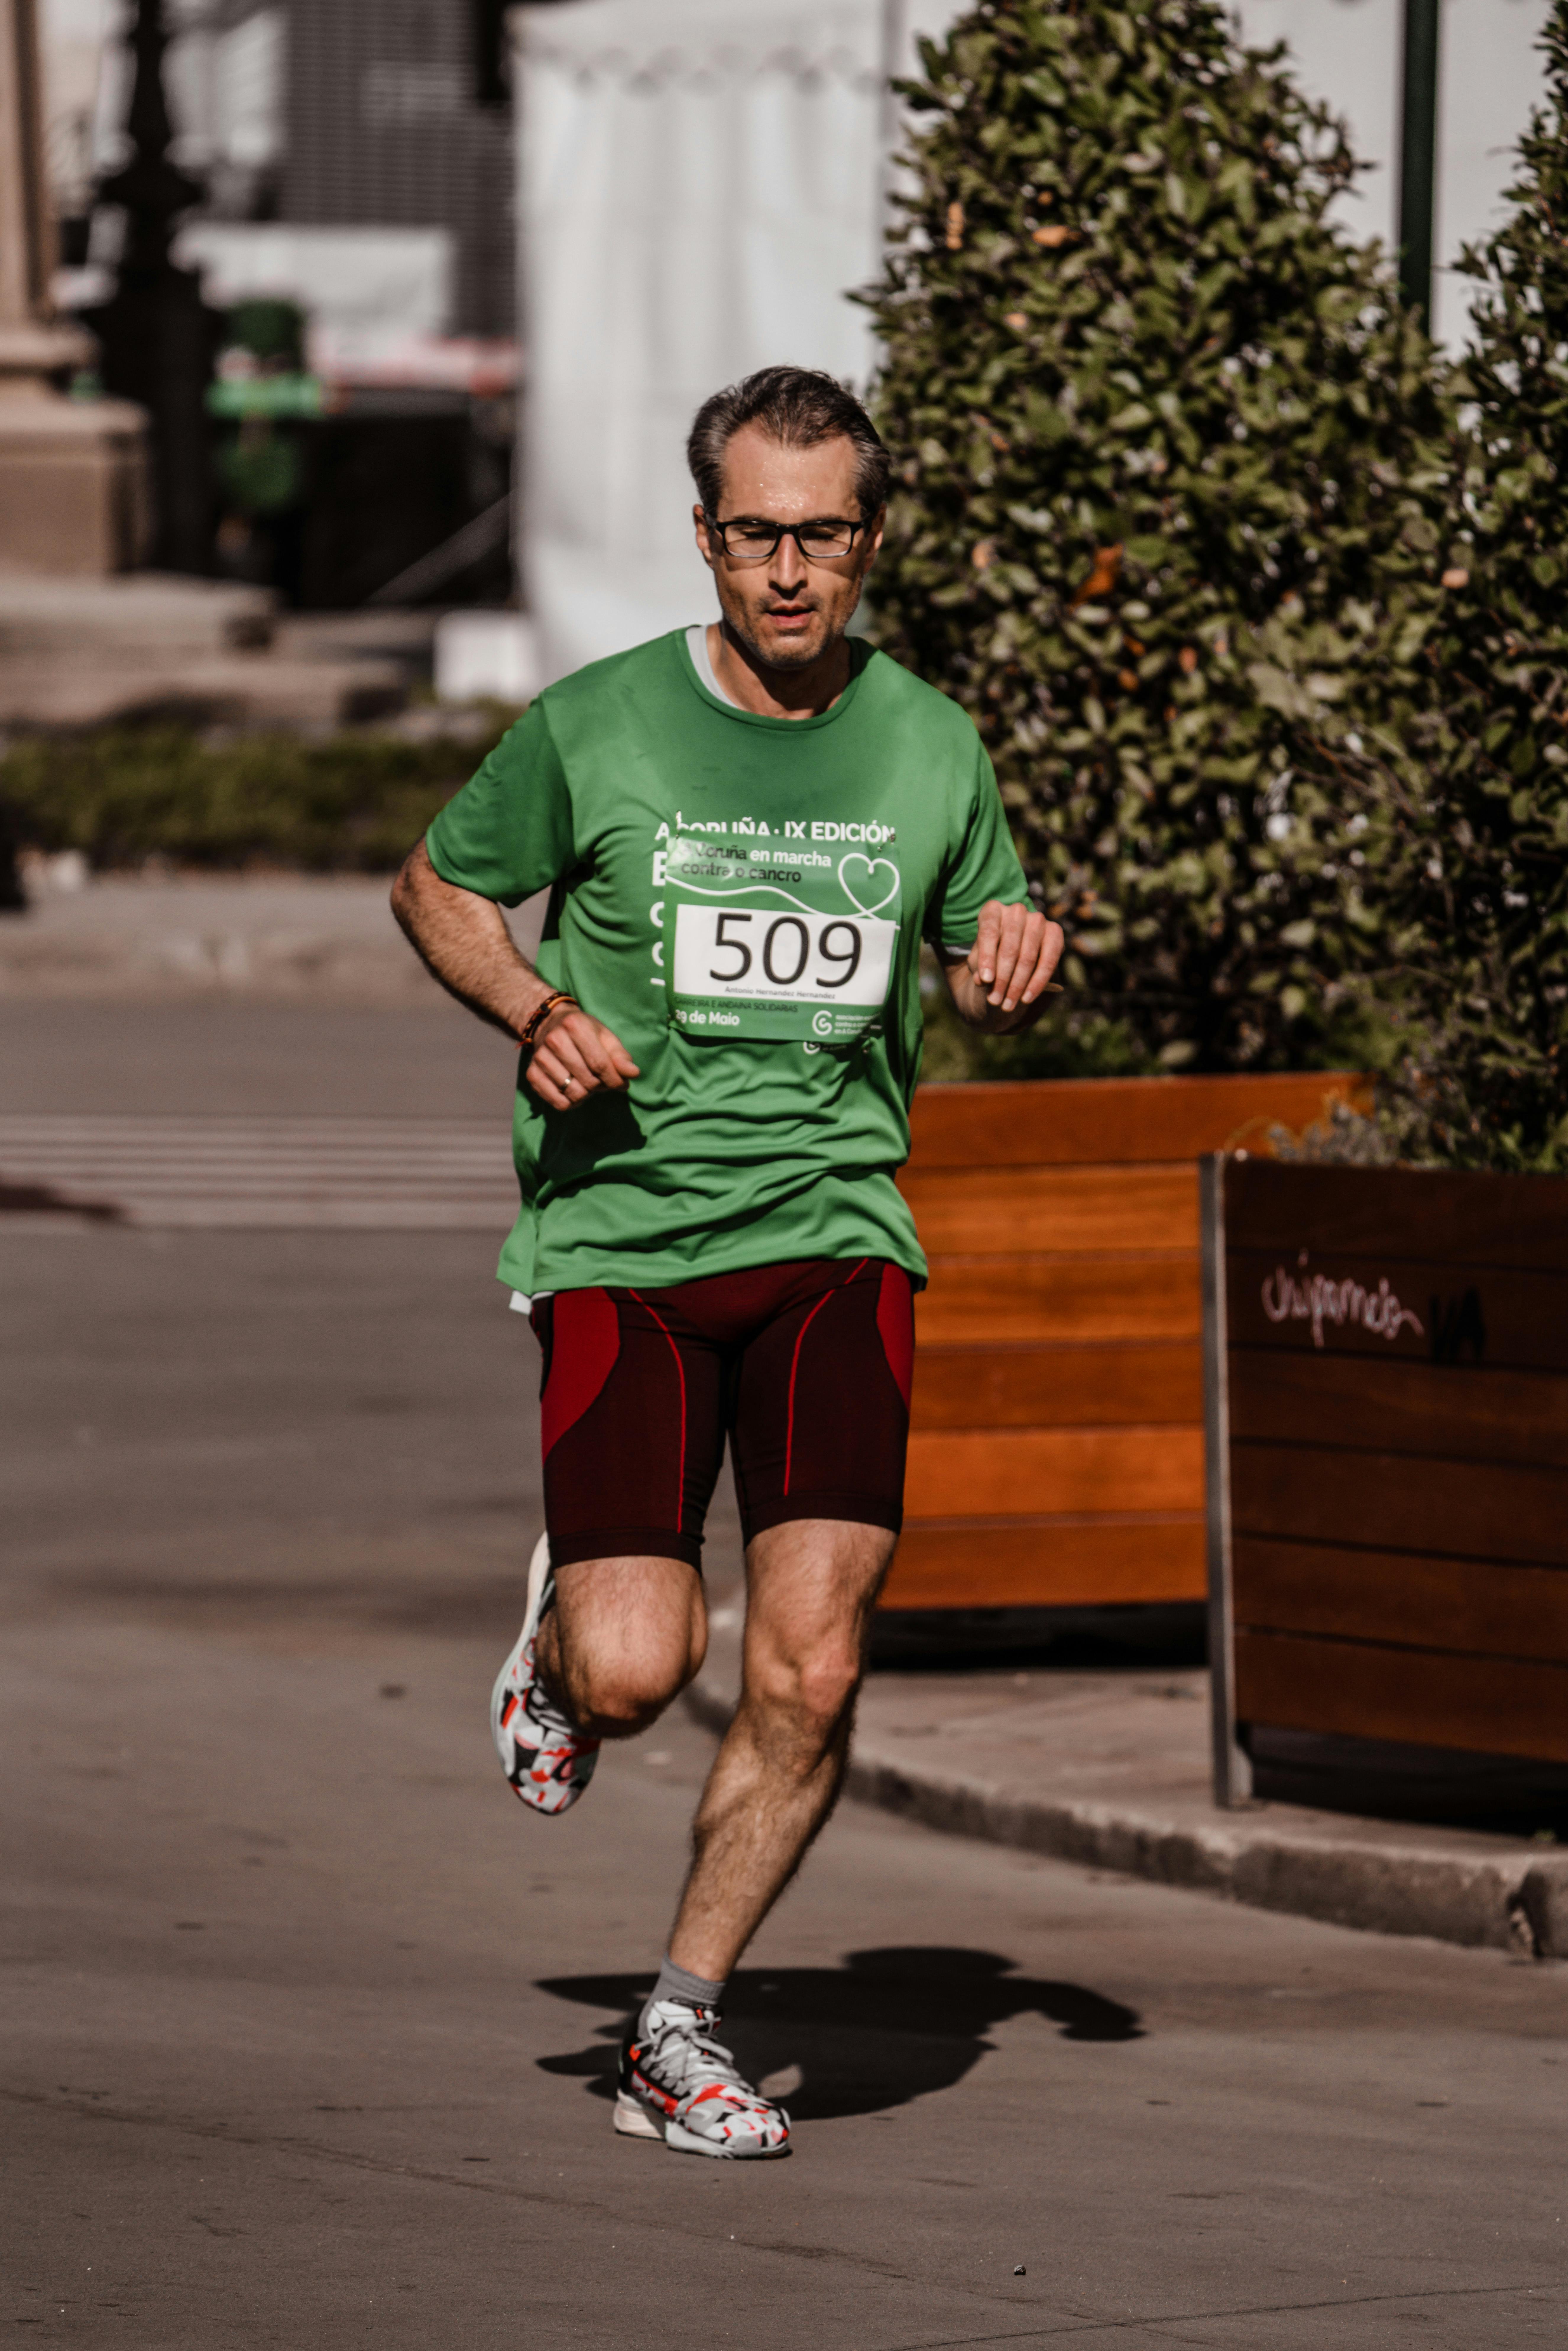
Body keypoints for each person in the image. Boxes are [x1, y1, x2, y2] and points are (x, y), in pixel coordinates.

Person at [391, 365, 1063, 2162]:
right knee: (636, 1670)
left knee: (811, 1666)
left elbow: (982, 914)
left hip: (838, 1232)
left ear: (866, 542)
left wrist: (1009, 943)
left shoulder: (928, 742)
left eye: (821, 535)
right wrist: (533, 1008)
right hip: (624, 1239)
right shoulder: (595, 725)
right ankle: (558, 1647)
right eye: (755, 534)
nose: (787, 571)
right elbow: (437, 888)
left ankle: (676, 2027)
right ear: (704, 539)